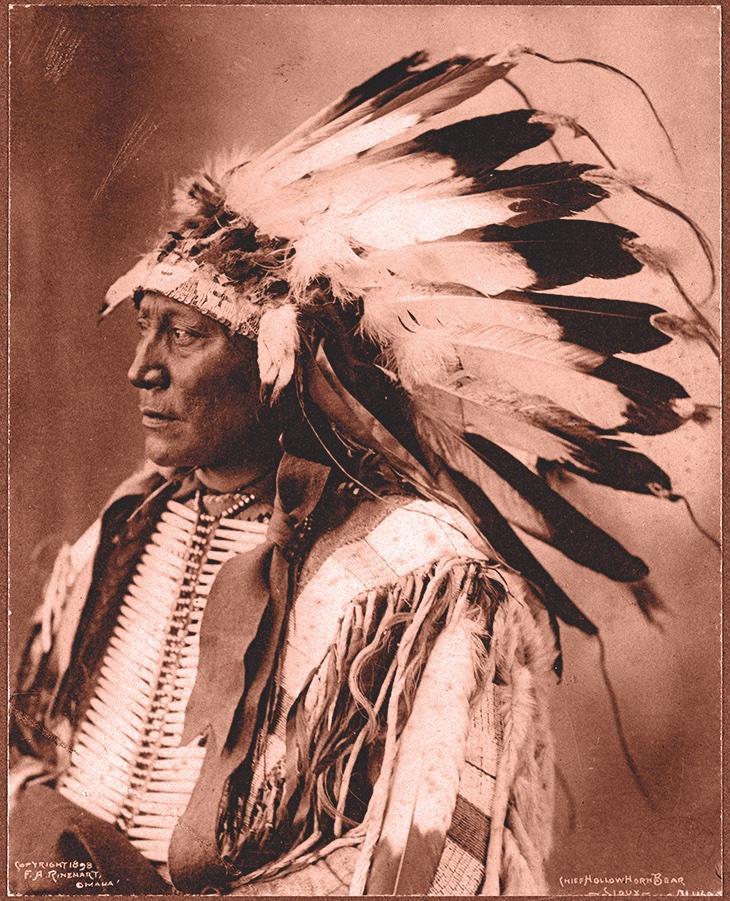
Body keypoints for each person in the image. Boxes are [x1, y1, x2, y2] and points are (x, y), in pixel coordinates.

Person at [9, 49, 713, 895]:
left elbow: (435, 866)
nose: (141, 369)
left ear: (277, 363)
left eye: (185, 334)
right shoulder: (118, 537)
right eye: (143, 325)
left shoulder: (416, 579)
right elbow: (34, 763)